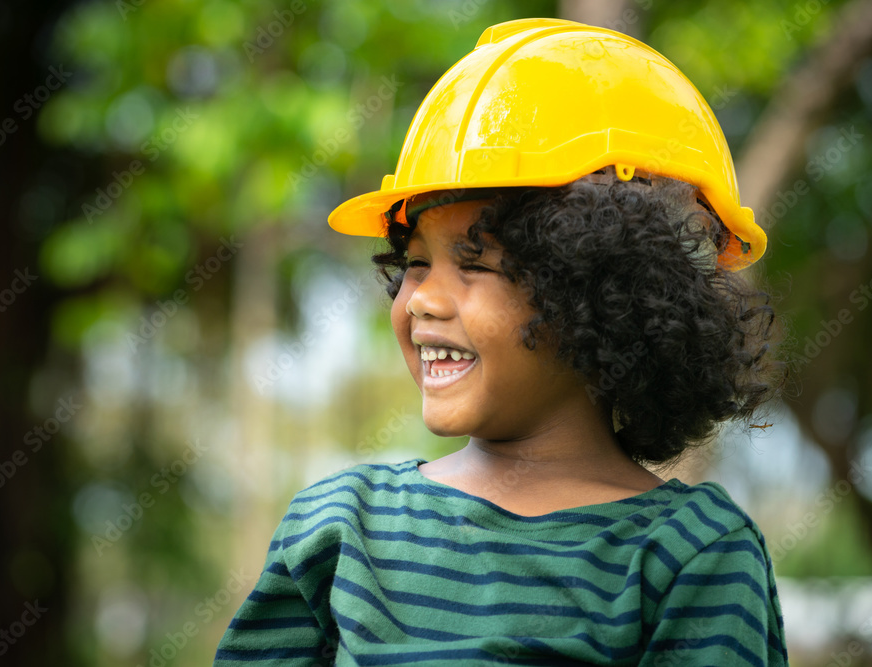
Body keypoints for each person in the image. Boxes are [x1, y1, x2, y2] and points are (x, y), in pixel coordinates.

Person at [215, 17, 790, 666]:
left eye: (476, 262)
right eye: (416, 262)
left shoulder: (695, 556)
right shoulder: (339, 528)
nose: (422, 299)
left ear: (602, 291)